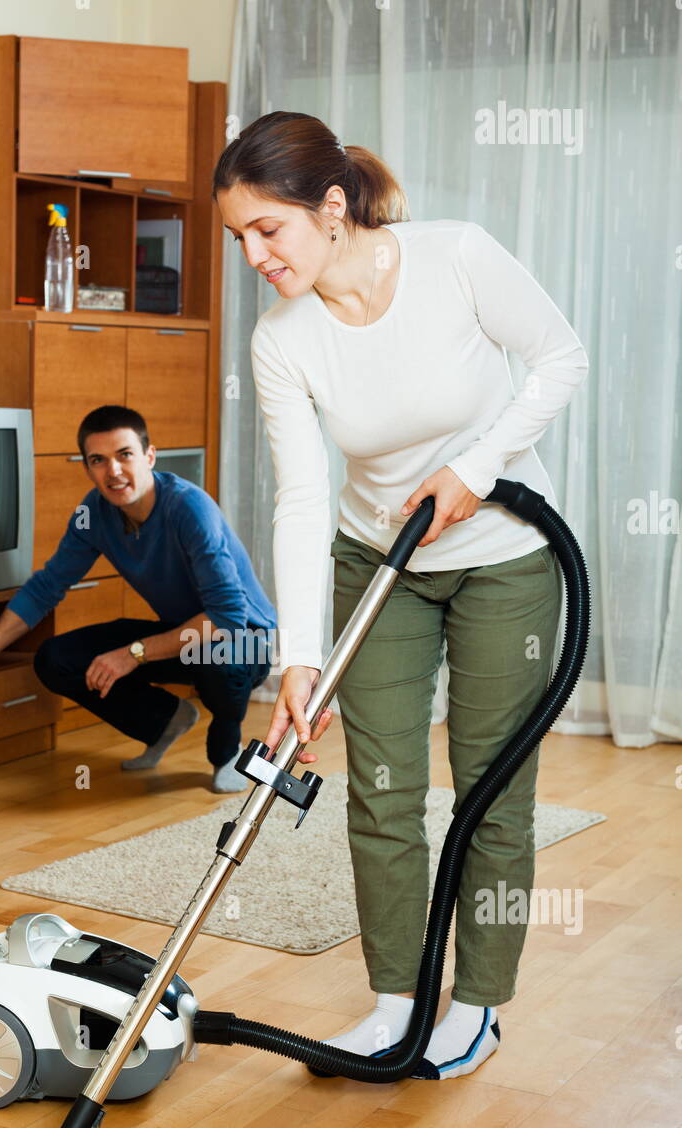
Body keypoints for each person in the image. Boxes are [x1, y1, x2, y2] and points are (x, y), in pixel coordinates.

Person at [213, 111, 589, 1078]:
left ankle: (475, 1007)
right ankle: (395, 1004)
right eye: (239, 238)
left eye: (268, 230)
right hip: (376, 566)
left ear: (330, 208)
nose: (254, 255)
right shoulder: (281, 340)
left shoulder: (454, 258)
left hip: (506, 553)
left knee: (490, 792)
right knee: (380, 793)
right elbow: (300, 498)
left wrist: (475, 467)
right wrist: (301, 658)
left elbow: (560, 358)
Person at [0, 404, 276, 793]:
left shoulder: (189, 508)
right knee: (56, 659)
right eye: (98, 460)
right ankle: (164, 721)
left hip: (242, 640)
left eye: (124, 455)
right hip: (180, 634)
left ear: (149, 457)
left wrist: (132, 653)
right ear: (87, 468)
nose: (113, 472)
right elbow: (45, 588)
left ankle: (227, 752)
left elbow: (227, 617)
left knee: (218, 661)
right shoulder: (93, 513)